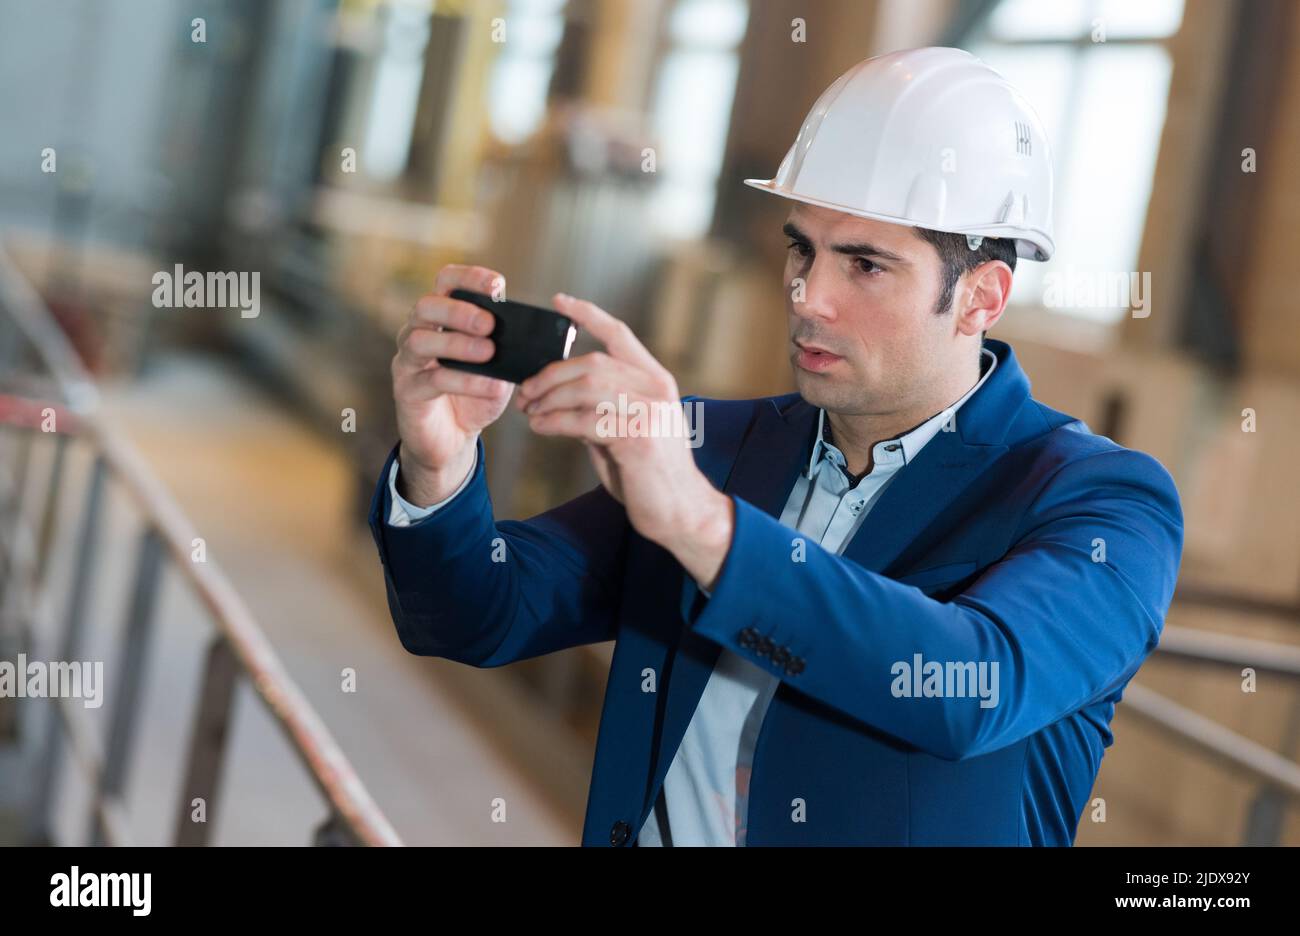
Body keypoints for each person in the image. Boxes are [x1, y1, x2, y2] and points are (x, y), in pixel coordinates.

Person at [369, 48, 1183, 846]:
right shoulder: (716, 447)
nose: (807, 295)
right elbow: (481, 614)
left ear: (980, 298)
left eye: (864, 265)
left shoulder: (1100, 500)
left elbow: (970, 688)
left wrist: (696, 522)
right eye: (803, 249)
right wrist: (439, 467)